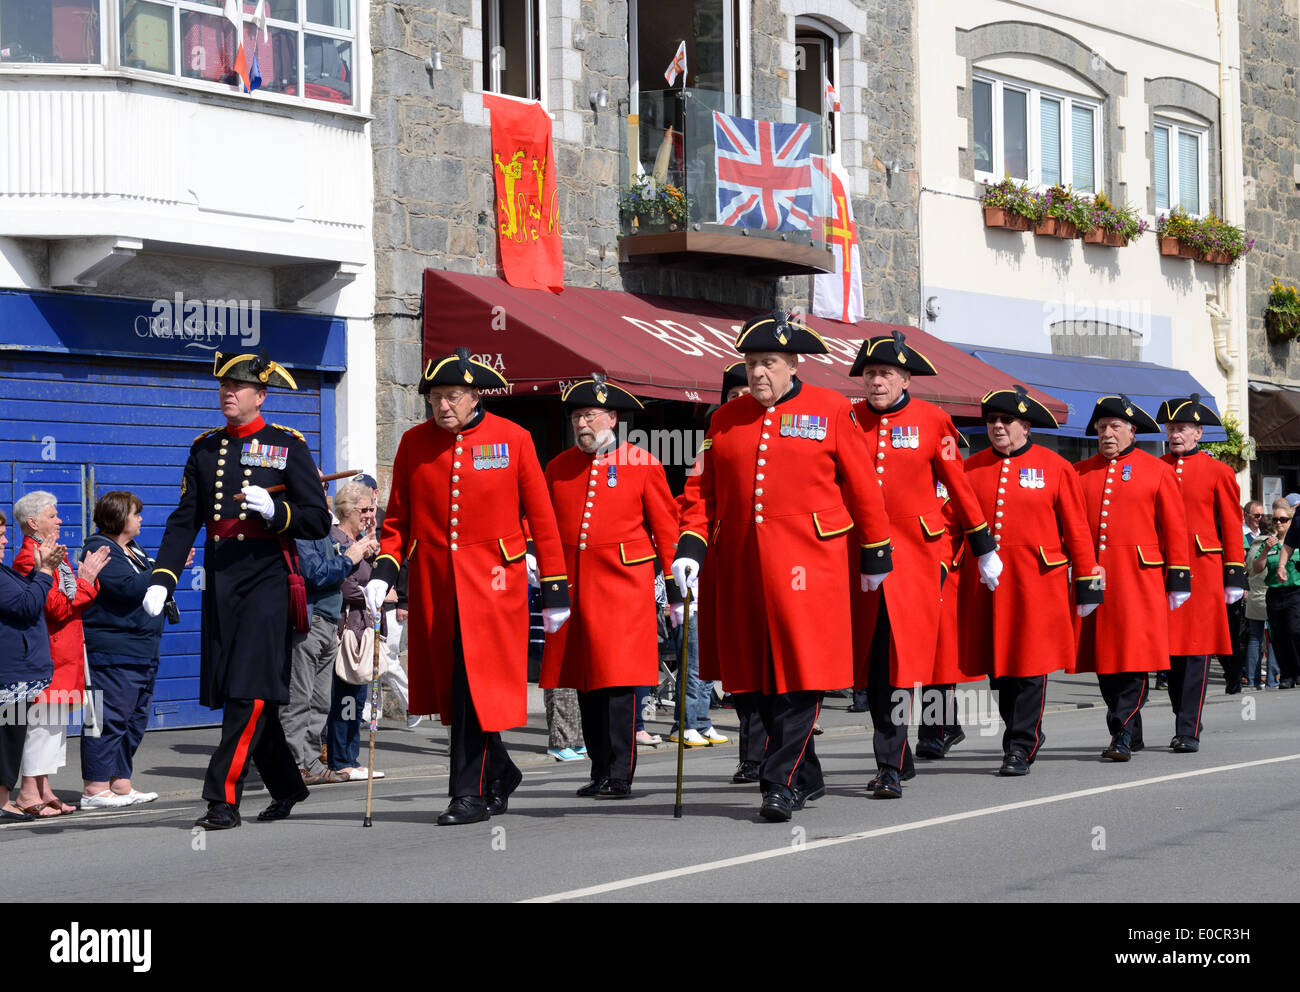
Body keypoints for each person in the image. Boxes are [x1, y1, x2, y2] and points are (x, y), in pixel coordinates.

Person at [672, 311, 892, 821]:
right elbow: (701, 492)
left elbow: (862, 485)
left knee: (803, 674)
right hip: (742, 566)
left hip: (812, 564)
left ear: (793, 364)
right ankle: (806, 774)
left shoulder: (832, 408)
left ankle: (779, 781)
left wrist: (876, 548)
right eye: (750, 363)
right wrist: (689, 548)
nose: (757, 374)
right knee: (755, 681)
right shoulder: (725, 418)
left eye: (768, 362)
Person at [364, 348, 570, 826]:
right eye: (435, 397)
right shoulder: (415, 443)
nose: (442, 406)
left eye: (452, 396)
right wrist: (383, 573)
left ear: (475, 394)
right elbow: (398, 519)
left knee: (476, 688)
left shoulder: (513, 438)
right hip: (438, 587)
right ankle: (500, 770)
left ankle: (467, 795)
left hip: (496, 588)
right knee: (456, 692)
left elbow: (541, 516)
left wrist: (556, 587)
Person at [142, 351, 332, 829]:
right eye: (224, 386)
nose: (229, 393)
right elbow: (185, 520)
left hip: (268, 580)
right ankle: (288, 785)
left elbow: (317, 519)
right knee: (243, 692)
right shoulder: (205, 448)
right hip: (222, 582)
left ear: (260, 395)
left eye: (239, 387)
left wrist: (276, 512)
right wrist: (164, 577)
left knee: (248, 691)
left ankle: (221, 800)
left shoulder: (287, 446)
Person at [848, 331, 1001, 799]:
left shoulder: (933, 421)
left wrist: (983, 547)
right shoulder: (846, 417)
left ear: (905, 379)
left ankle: (889, 765)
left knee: (899, 660)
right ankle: (898, 754)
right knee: (872, 664)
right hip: (857, 552)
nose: (876, 382)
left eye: (886, 374)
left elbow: (959, 487)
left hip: (916, 555)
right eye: (870, 373)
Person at [539, 374, 681, 799]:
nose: (583, 424)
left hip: (623, 592)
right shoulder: (559, 467)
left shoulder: (643, 463)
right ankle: (600, 767)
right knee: (585, 683)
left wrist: (675, 589)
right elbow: (542, 525)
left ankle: (620, 772)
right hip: (574, 592)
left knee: (618, 685)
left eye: (591, 415)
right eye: (578, 416)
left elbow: (666, 531)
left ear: (613, 418)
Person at [957, 388, 1103, 775]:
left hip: (1037, 581)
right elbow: (952, 523)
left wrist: (1087, 579)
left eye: (1006, 421)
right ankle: (1019, 732)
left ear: (1025, 425)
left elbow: (1076, 528)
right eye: (992, 422)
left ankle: (1021, 743)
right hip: (988, 585)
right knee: (999, 668)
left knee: (1030, 664)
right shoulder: (971, 469)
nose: (998, 427)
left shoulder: (1056, 467)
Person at [1073, 395, 1191, 760]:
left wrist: (1179, 577)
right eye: (1102, 427)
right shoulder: (1080, 471)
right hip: (1095, 576)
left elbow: (1174, 528)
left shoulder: (1157, 470)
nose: (1108, 434)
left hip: (1140, 576)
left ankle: (1122, 731)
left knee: (1134, 654)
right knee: (1104, 658)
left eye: (1115, 427)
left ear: (1132, 431)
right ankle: (1127, 729)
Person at [79, 491, 188, 808]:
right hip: (114, 652)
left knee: (134, 720)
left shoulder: (134, 550)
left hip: (143, 650)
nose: (141, 519)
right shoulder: (100, 550)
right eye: (136, 514)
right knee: (108, 718)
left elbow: (149, 583)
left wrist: (165, 571)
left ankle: (120, 783)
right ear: (118, 517)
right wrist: (167, 570)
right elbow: (127, 588)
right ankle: (95, 788)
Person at [11, 490, 109, 816]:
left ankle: (43, 787)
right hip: (50, 656)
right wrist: (85, 582)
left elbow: (73, 597)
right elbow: (55, 606)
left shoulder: (54, 555)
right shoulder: (31, 558)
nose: (60, 520)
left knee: (55, 729)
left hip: (66, 655)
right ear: (33, 522)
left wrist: (84, 583)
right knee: (41, 726)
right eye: (53, 515)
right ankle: (28, 792)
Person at [1156, 395, 1247, 744]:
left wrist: (1234, 574)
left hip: (1203, 570)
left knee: (1195, 649)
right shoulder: (1157, 467)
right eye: (1170, 428)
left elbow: (1230, 524)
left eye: (1182, 428)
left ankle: (1187, 729)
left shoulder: (1218, 472)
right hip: (1163, 570)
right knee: (1170, 653)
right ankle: (1183, 714)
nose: (1175, 434)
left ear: (1198, 433)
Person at [283, 475, 366, 786]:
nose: (324, 491)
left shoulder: (319, 525)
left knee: (320, 701)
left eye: (326, 486)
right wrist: (349, 558)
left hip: (328, 621)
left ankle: (311, 762)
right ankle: (295, 764)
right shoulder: (302, 527)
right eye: (319, 485)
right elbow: (315, 574)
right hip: (311, 619)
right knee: (299, 700)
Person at [0, 508, 58, 822]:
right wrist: (45, 572)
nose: (6, 540)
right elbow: (27, 605)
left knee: (10, 735)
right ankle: (2, 800)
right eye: (0, 536)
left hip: (16, 675)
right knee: (7, 737)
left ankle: (4, 798)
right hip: (9, 676)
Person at [325, 480, 385, 781]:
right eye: (364, 509)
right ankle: (341, 760)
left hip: (364, 630)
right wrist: (380, 595)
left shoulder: (361, 541)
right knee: (345, 698)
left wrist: (372, 546)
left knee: (358, 698)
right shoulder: (338, 541)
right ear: (346, 510)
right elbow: (346, 586)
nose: (369, 515)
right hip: (347, 630)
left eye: (371, 509)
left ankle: (351, 756)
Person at [1258, 504, 1300, 689]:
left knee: (1295, 631)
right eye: (1275, 519)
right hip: (1274, 593)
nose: (1279, 523)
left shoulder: (1296, 542)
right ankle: (1287, 674)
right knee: (1279, 635)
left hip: (1295, 592)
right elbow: (1256, 569)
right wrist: (1266, 551)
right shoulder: (1270, 542)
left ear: (1292, 521)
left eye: (1283, 519)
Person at [1244, 513, 1281, 689]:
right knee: (1273, 639)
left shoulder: (1252, 546)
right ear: (1273, 528)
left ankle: (1252, 679)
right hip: (1269, 595)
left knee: (1254, 639)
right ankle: (1273, 679)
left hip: (1253, 597)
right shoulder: (1274, 546)